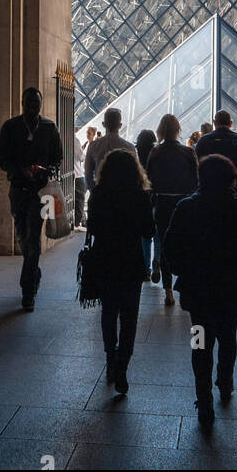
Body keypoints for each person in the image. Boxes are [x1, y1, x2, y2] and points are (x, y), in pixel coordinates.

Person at [164, 155, 237, 430]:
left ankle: (204, 398)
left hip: (198, 292)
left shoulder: (186, 208)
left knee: (200, 342)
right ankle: (225, 381)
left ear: (201, 178)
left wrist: (183, 273)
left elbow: (171, 248)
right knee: (228, 336)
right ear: (232, 178)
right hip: (232, 291)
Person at [86, 148, 155, 395]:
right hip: (131, 261)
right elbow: (148, 231)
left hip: (105, 259)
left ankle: (110, 358)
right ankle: (123, 365)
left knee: (108, 312)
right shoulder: (140, 196)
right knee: (129, 317)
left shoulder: (99, 194)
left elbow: (92, 227)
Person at [0, 86, 63, 310]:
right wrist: (20, 170)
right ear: (22, 103)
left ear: (40, 104)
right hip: (18, 189)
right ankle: (34, 272)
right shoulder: (10, 127)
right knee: (23, 238)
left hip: (41, 192)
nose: (33, 107)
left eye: (36, 103)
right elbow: (2, 159)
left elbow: (58, 158)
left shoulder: (49, 128)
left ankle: (27, 291)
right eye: (29, 103)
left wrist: (48, 169)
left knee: (32, 238)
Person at [146, 114, 198, 306]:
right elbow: (196, 181)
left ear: (161, 130)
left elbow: (149, 181)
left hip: (162, 204)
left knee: (164, 247)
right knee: (185, 245)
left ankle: (168, 291)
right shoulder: (188, 152)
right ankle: (184, 286)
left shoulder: (155, 153)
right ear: (178, 130)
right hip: (184, 203)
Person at [194, 111, 237, 198]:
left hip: (209, 191)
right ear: (230, 123)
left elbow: (195, 165)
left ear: (214, 123)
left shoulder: (203, 141)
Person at [84, 108, 135, 190]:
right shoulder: (129, 147)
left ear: (103, 124)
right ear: (120, 125)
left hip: (101, 191)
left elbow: (88, 174)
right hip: (122, 192)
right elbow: (133, 175)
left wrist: (94, 192)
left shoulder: (93, 146)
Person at [135, 128, 161, 283]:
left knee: (145, 236)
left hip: (143, 199)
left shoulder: (137, 159)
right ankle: (157, 260)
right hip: (157, 197)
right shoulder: (158, 157)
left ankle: (146, 269)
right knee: (157, 235)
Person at [73, 128, 87, 229]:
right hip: (77, 174)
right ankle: (77, 222)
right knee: (79, 199)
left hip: (68, 174)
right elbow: (82, 157)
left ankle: (77, 220)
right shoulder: (76, 140)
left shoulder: (62, 139)